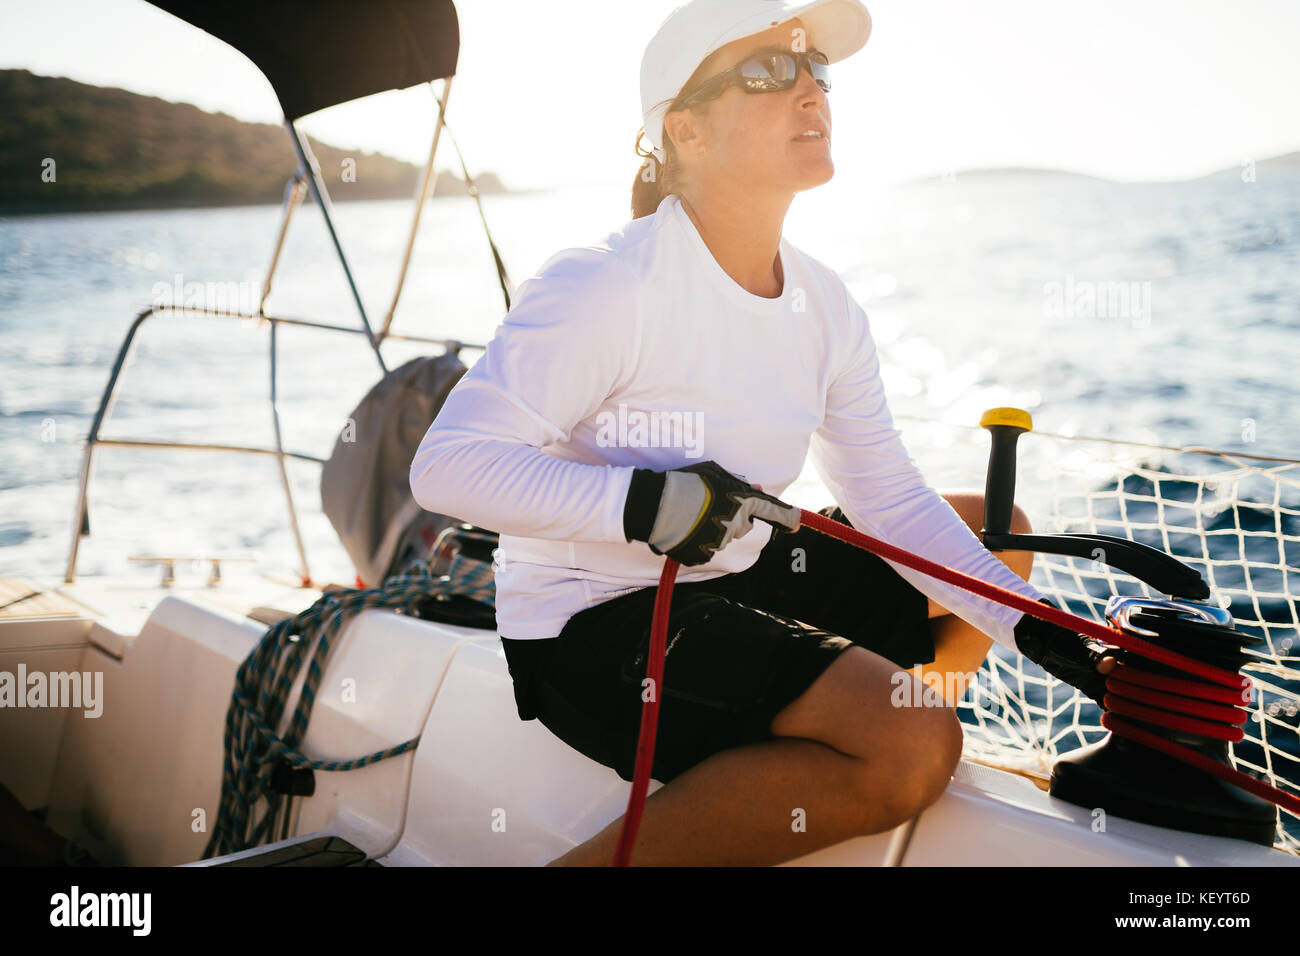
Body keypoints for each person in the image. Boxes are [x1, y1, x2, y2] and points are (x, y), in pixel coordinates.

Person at [409, 0, 1117, 867]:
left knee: (991, 541)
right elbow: (447, 468)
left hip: (738, 574)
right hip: (588, 624)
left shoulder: (825, 304)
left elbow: (889, 496)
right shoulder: (609, 284)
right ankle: (869, 750)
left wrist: (1044, 632)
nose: (811, 92)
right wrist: (643, 504)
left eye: (816, 70)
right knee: (913, 742)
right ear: (686, 132)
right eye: (768, 72)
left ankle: (823, 753)